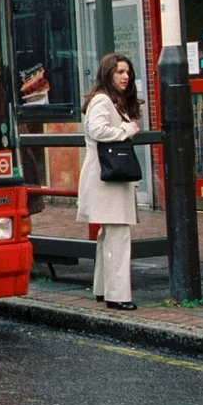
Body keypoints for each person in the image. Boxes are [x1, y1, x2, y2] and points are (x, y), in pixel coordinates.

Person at [77, 53, 143, 311]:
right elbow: (97, 130)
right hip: (108, 177)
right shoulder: (104, 100)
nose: (125, 77)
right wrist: (127, 130)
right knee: (118, 234)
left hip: (106, 175)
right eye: (119, 72)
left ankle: (104, 290)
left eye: (127, 72)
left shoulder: (108, 100)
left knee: (110, 234)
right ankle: (118, 296)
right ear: (107, 74)